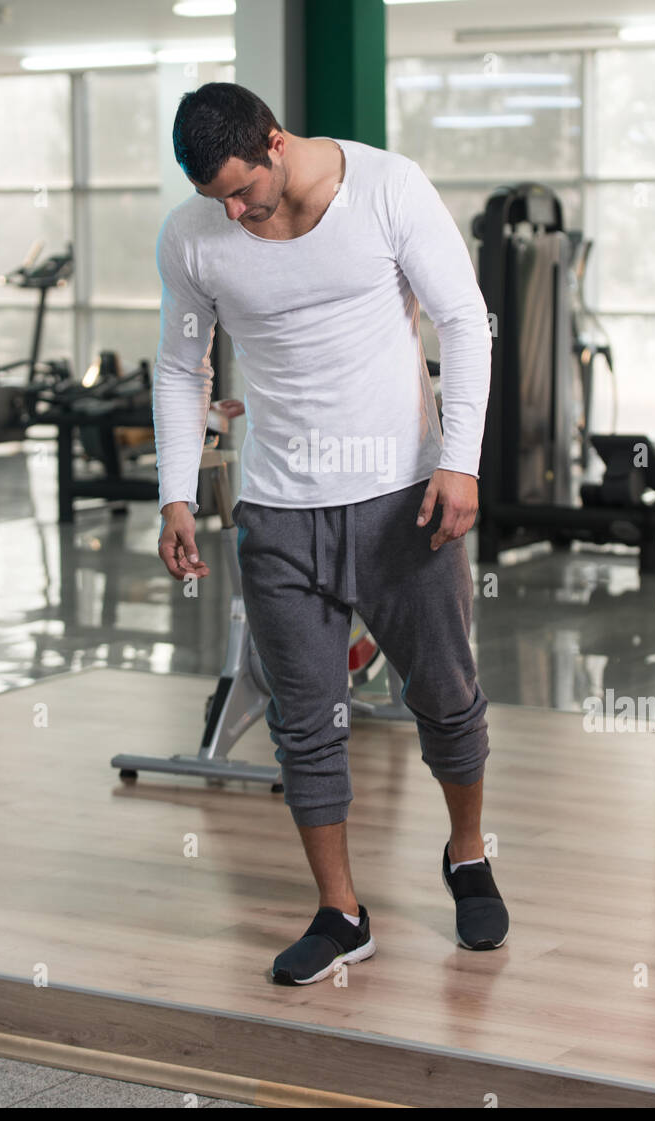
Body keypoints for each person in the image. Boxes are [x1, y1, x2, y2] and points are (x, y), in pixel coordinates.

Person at [154, 82, 509, 985]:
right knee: (303, 724)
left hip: (402, 501)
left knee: (445, 698)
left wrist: (459, 461)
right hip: (276, 511)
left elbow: (465, 321)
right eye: (214, 199)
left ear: (275, 142)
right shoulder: (193, 236)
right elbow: (177, 364)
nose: (232, 212)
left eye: (242, 191)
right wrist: (176, 495)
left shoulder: (387, 189)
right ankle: (341, 913)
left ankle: (466, 852)